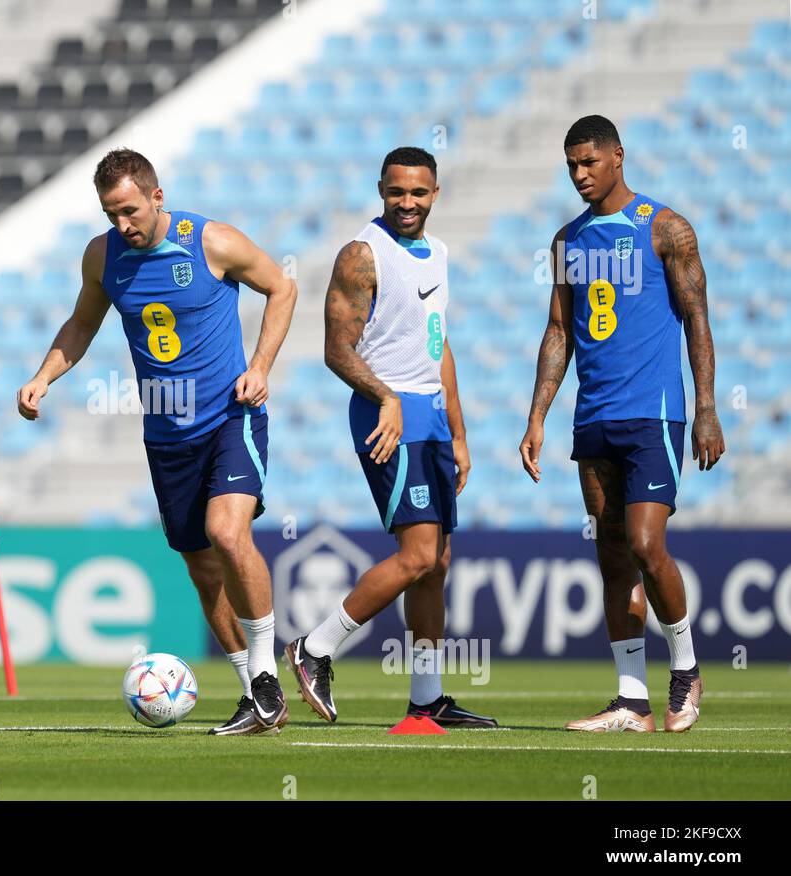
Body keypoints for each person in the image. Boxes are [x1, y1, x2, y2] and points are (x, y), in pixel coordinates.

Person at [17, 149, 298, 735]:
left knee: (227, 532)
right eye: (110, 213)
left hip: (231, 414)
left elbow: (282, 288)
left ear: (156, 196)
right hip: (167, 436)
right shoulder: (103, 255)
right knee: (201, 567)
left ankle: (269, 673)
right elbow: (83, 323)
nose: (123, 224)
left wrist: (263, 365)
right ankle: (253, 694)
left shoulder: (212, 241)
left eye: (129, 210)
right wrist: (44, 377)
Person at [520, 115, 724, 733]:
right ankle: (630, 701)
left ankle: (685, 668)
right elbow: (558, 331)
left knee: (644, 543)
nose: (580, 174)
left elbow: (697, 319)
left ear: (617, 158)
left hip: (655, 413)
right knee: (613, 558)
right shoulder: (567, 241)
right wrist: (536, 418)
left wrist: (708, 407)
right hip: (594, 417)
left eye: (590, 162)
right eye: (571, 164)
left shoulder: (665, 228)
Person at [284, 147, 496, 729]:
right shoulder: (362, 255)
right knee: (419, 554)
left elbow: (438, 344)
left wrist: (459, 431)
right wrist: (387, 398)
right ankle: (315, 648)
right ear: (381, 189)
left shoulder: (439, 254)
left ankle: (427, 699)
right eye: (396, 192)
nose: (407, 203)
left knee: (438, 561)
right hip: (387, 416)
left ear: (435, 193)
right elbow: (336, 350)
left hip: (428, 417)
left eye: (418, 193)